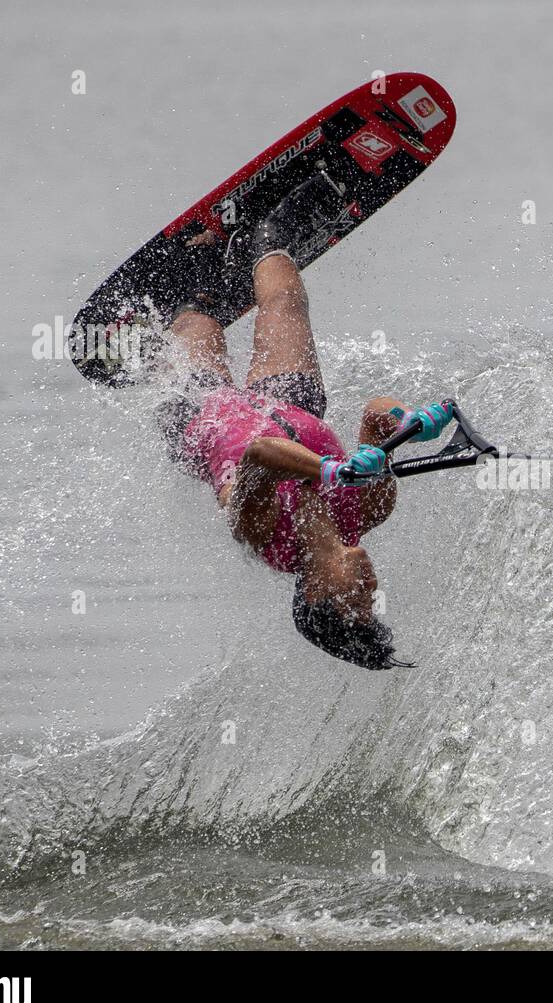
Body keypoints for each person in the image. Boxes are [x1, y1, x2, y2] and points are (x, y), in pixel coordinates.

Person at [154, 175, 454, 669]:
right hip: (291, 404)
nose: (371, 588)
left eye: (357, 601)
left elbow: (260, 455)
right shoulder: (371, 510)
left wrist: (330, 472)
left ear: (316, 593)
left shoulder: (261, 535)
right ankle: (262, 236)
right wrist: (407, 420)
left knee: (195, 321)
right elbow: (375, 417)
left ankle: (193, 279)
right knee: (287, 302)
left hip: (200, 419)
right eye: (371, 601)